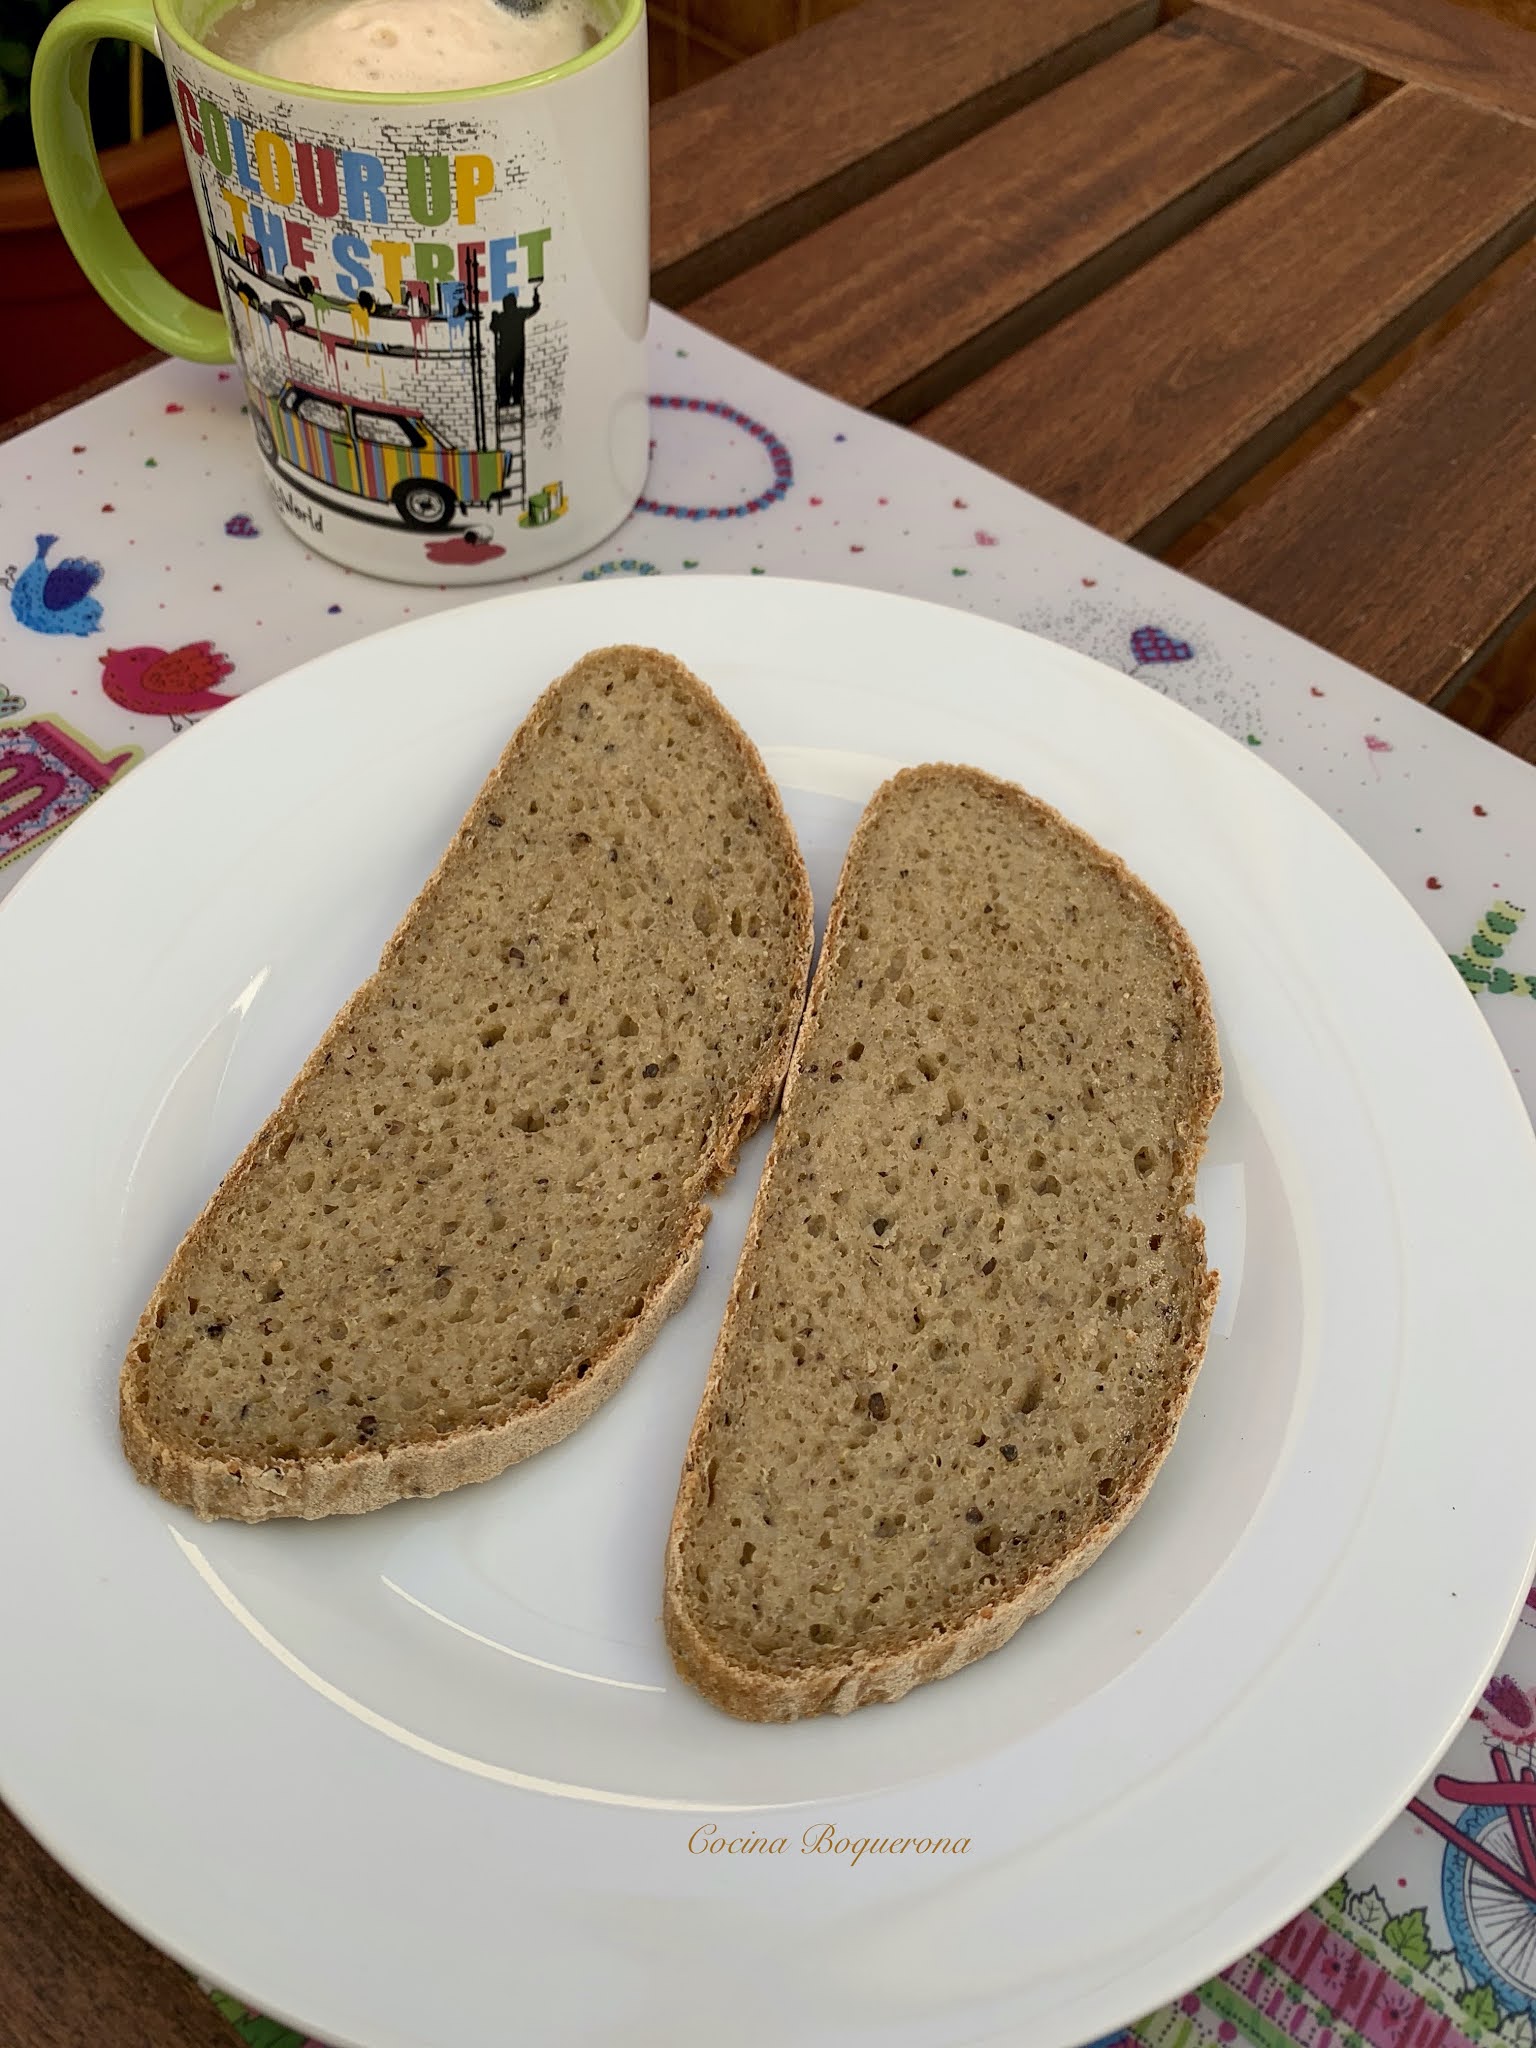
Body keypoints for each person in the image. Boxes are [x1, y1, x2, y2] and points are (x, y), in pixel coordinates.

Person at [490, 285, 542, 410]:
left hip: (505, 353)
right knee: (518, 375)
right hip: (518, 351)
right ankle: (517, 398)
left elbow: (493, 328)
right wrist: (536, 296)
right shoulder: (519, 313)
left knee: (505, 377)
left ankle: (504, 400)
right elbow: (535, 308)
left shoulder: (502, 317)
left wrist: (494, 317)